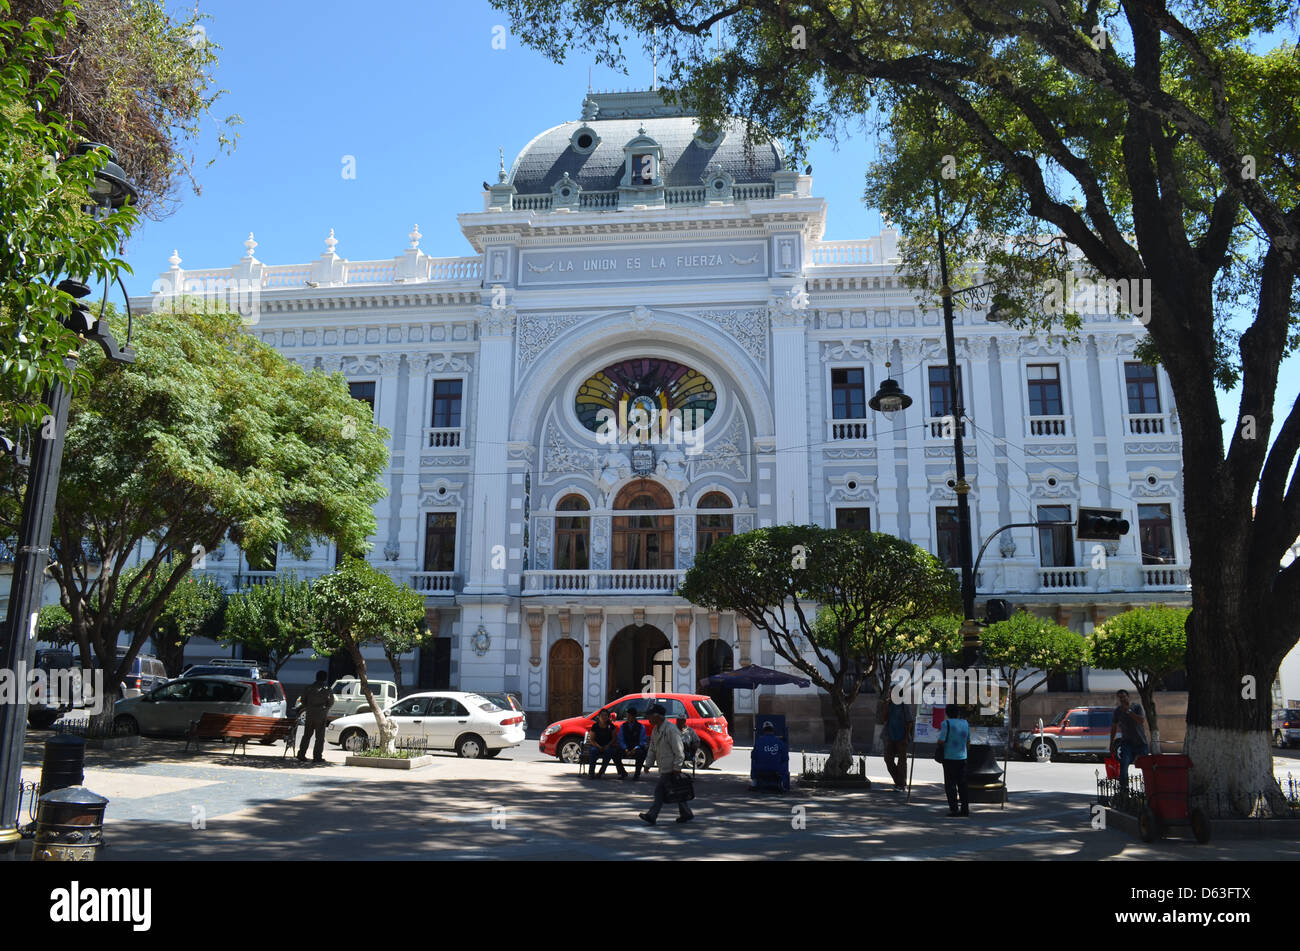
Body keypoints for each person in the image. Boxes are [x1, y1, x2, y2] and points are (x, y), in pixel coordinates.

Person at [639, 704, 693, 825]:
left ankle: (652, 815)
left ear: (657, 716)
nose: (648, 719)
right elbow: (652, 748)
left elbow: (679, 750)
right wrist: (648, 764)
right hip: (664, 766)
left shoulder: (671, 729)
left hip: (670, 767)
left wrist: (677, 766)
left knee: (659, 791)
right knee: (676, 790)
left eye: (650, 716)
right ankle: (686, 813)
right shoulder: (656, 729)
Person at [1109, 689, 1150, 790]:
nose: (1122, 699)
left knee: (1146, 767)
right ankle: (1124, 789)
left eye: (1123, 696)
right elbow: (1114, 727)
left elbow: (1141, 720)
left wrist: (1129, 711)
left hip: (1141, 742)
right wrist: (1111, 743)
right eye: (1120, 697)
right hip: (1127, 743)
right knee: (1124, 765)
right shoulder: (1117, 711)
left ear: (1128, 696)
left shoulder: (1137, 707)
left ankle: (1149, 787)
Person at [937, 704, 970, 816]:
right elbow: (968, 741)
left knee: (950, 785)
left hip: (949, 757)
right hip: (962, 757)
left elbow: (941, 741)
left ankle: (954, 809)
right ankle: (965, 809)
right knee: (963, 784)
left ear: (947, 713)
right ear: (958, 713)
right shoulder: (965, 723)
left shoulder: (946, 724)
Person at [297, 670, 334, 762]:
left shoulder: (308, 688)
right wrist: (325, 709)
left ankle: (301, 754)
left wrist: (309, 707)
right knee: (320, 737)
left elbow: (302, 700)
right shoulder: (327, 689)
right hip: (321, 714)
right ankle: (317, 756)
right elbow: (330, 702)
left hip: (310, 714)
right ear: (325, 678)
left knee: (307, 735)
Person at [878, 695, 913, 789]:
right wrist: (885, 706)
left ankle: (901, 784)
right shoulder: (890, 704)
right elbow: (884, 719)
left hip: (902, 737)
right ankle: (899, 781)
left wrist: (906, 738)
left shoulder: (904, 705)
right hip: (890, 736)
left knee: (902, 762)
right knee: (888, 759)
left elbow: (909, 722)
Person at [586, 708, 619, 778]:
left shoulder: (611, 726)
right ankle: (591, 773)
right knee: (593, 751)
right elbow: (592, 739)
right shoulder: (595, 726)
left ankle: (601, 772)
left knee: (609, 752)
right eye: (602, 715)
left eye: (606, 715)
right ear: (599, 716)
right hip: (596, 745)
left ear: (608, 717)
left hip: (607, 746)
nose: (604, 717)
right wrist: (598, 746)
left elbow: (614, 738)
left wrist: (608, 745)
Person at [616, 709, 648, 780]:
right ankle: (622, 772)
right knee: (615, 753)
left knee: (641, 753)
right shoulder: (623, 726)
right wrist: (625, 748)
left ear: (634, 717)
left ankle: (637, 774)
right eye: (627, 716)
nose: (628, 718)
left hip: (636, 748)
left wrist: (636, 748)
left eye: (630, 716)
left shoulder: (640, 727)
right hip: (626, 747)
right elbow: (621, 739)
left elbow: (643, 741)